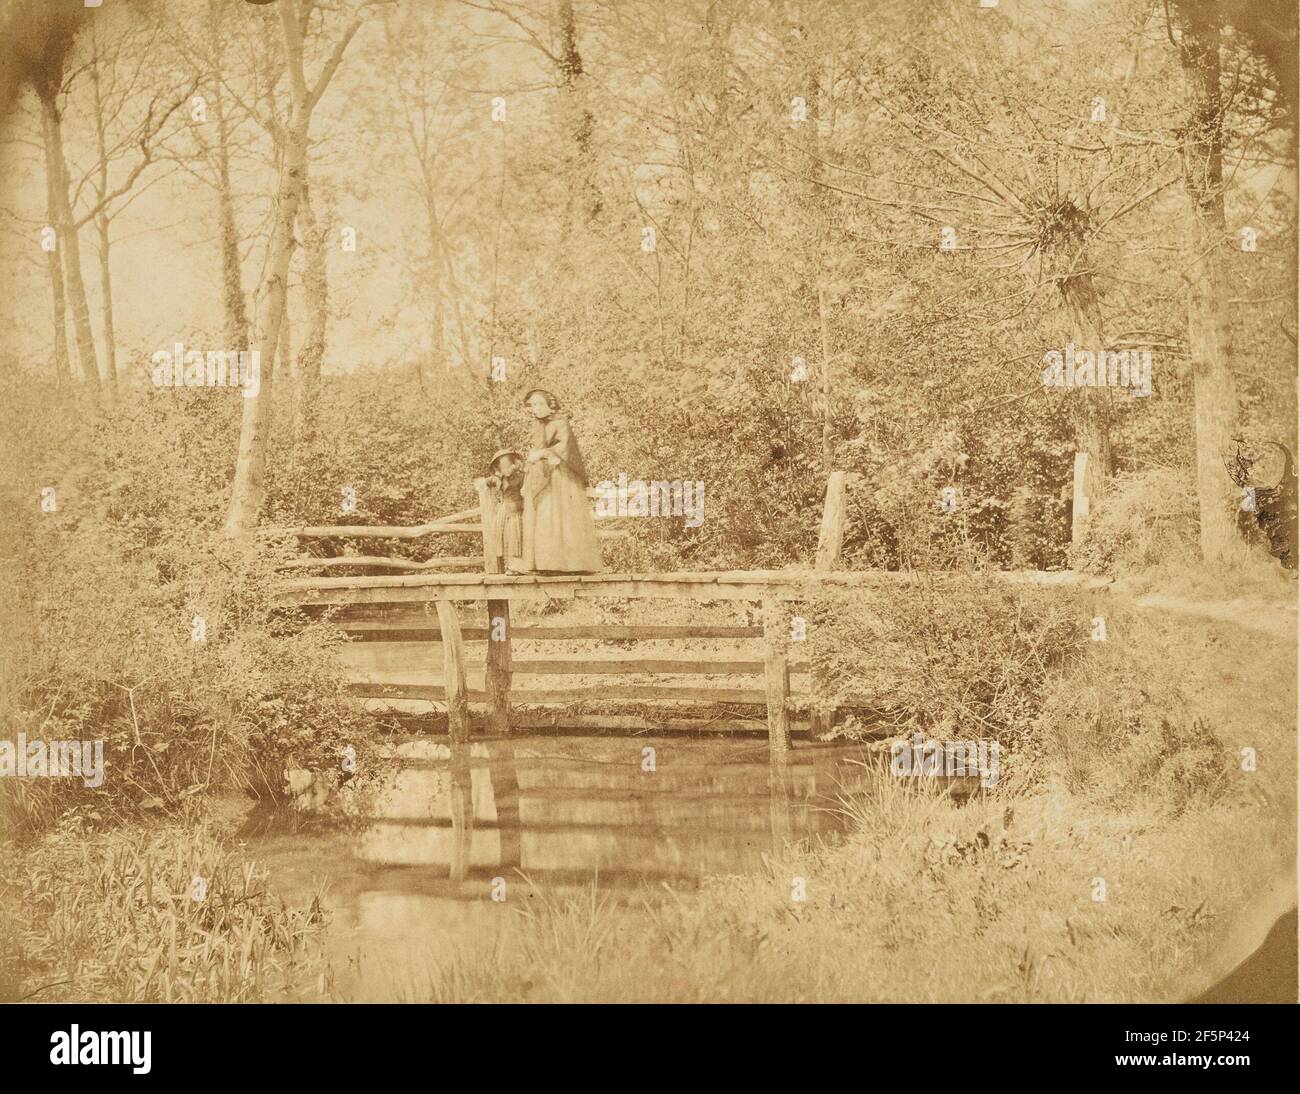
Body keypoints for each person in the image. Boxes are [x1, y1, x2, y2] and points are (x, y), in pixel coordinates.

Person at [519, 388, 604, 573]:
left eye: (540, 403)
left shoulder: (560, 421)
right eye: (533, 405)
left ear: (550, 404)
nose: (537, 408)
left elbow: (565, 447)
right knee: (545, 516)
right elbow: (538, 448)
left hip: (560, 476)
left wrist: (542, 453)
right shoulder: (538, 426)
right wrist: (533, 458)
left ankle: (571, 563)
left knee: (561, 514)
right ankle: (547, 563)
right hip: (542, 475)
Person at [484, 449, 525, 573]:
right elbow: (486, 482)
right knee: (505, 537)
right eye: (502, 465)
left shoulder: (521, 476)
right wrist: (495, 479)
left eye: (507, 463)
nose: (505, 467)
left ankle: (518, 567)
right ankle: (508, 566)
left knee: (516, 536)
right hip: (504, 511)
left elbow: (525, 491)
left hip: (516, 511)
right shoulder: (499, 479)